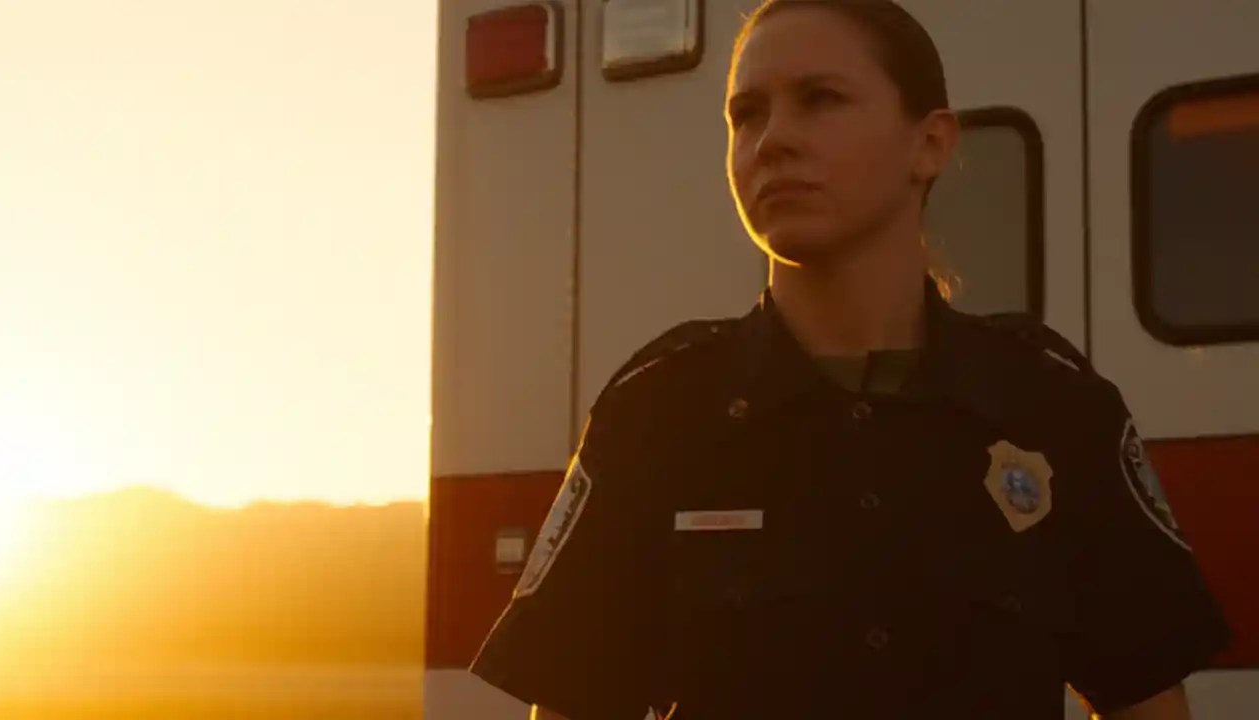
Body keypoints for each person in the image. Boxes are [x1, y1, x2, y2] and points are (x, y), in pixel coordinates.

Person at [468, 1, 1232, 718]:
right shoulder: (658, 413)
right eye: (746, 114)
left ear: (930, 143)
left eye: (821, 99)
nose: (772, 140)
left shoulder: (1052, 406)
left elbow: (1147, 700)